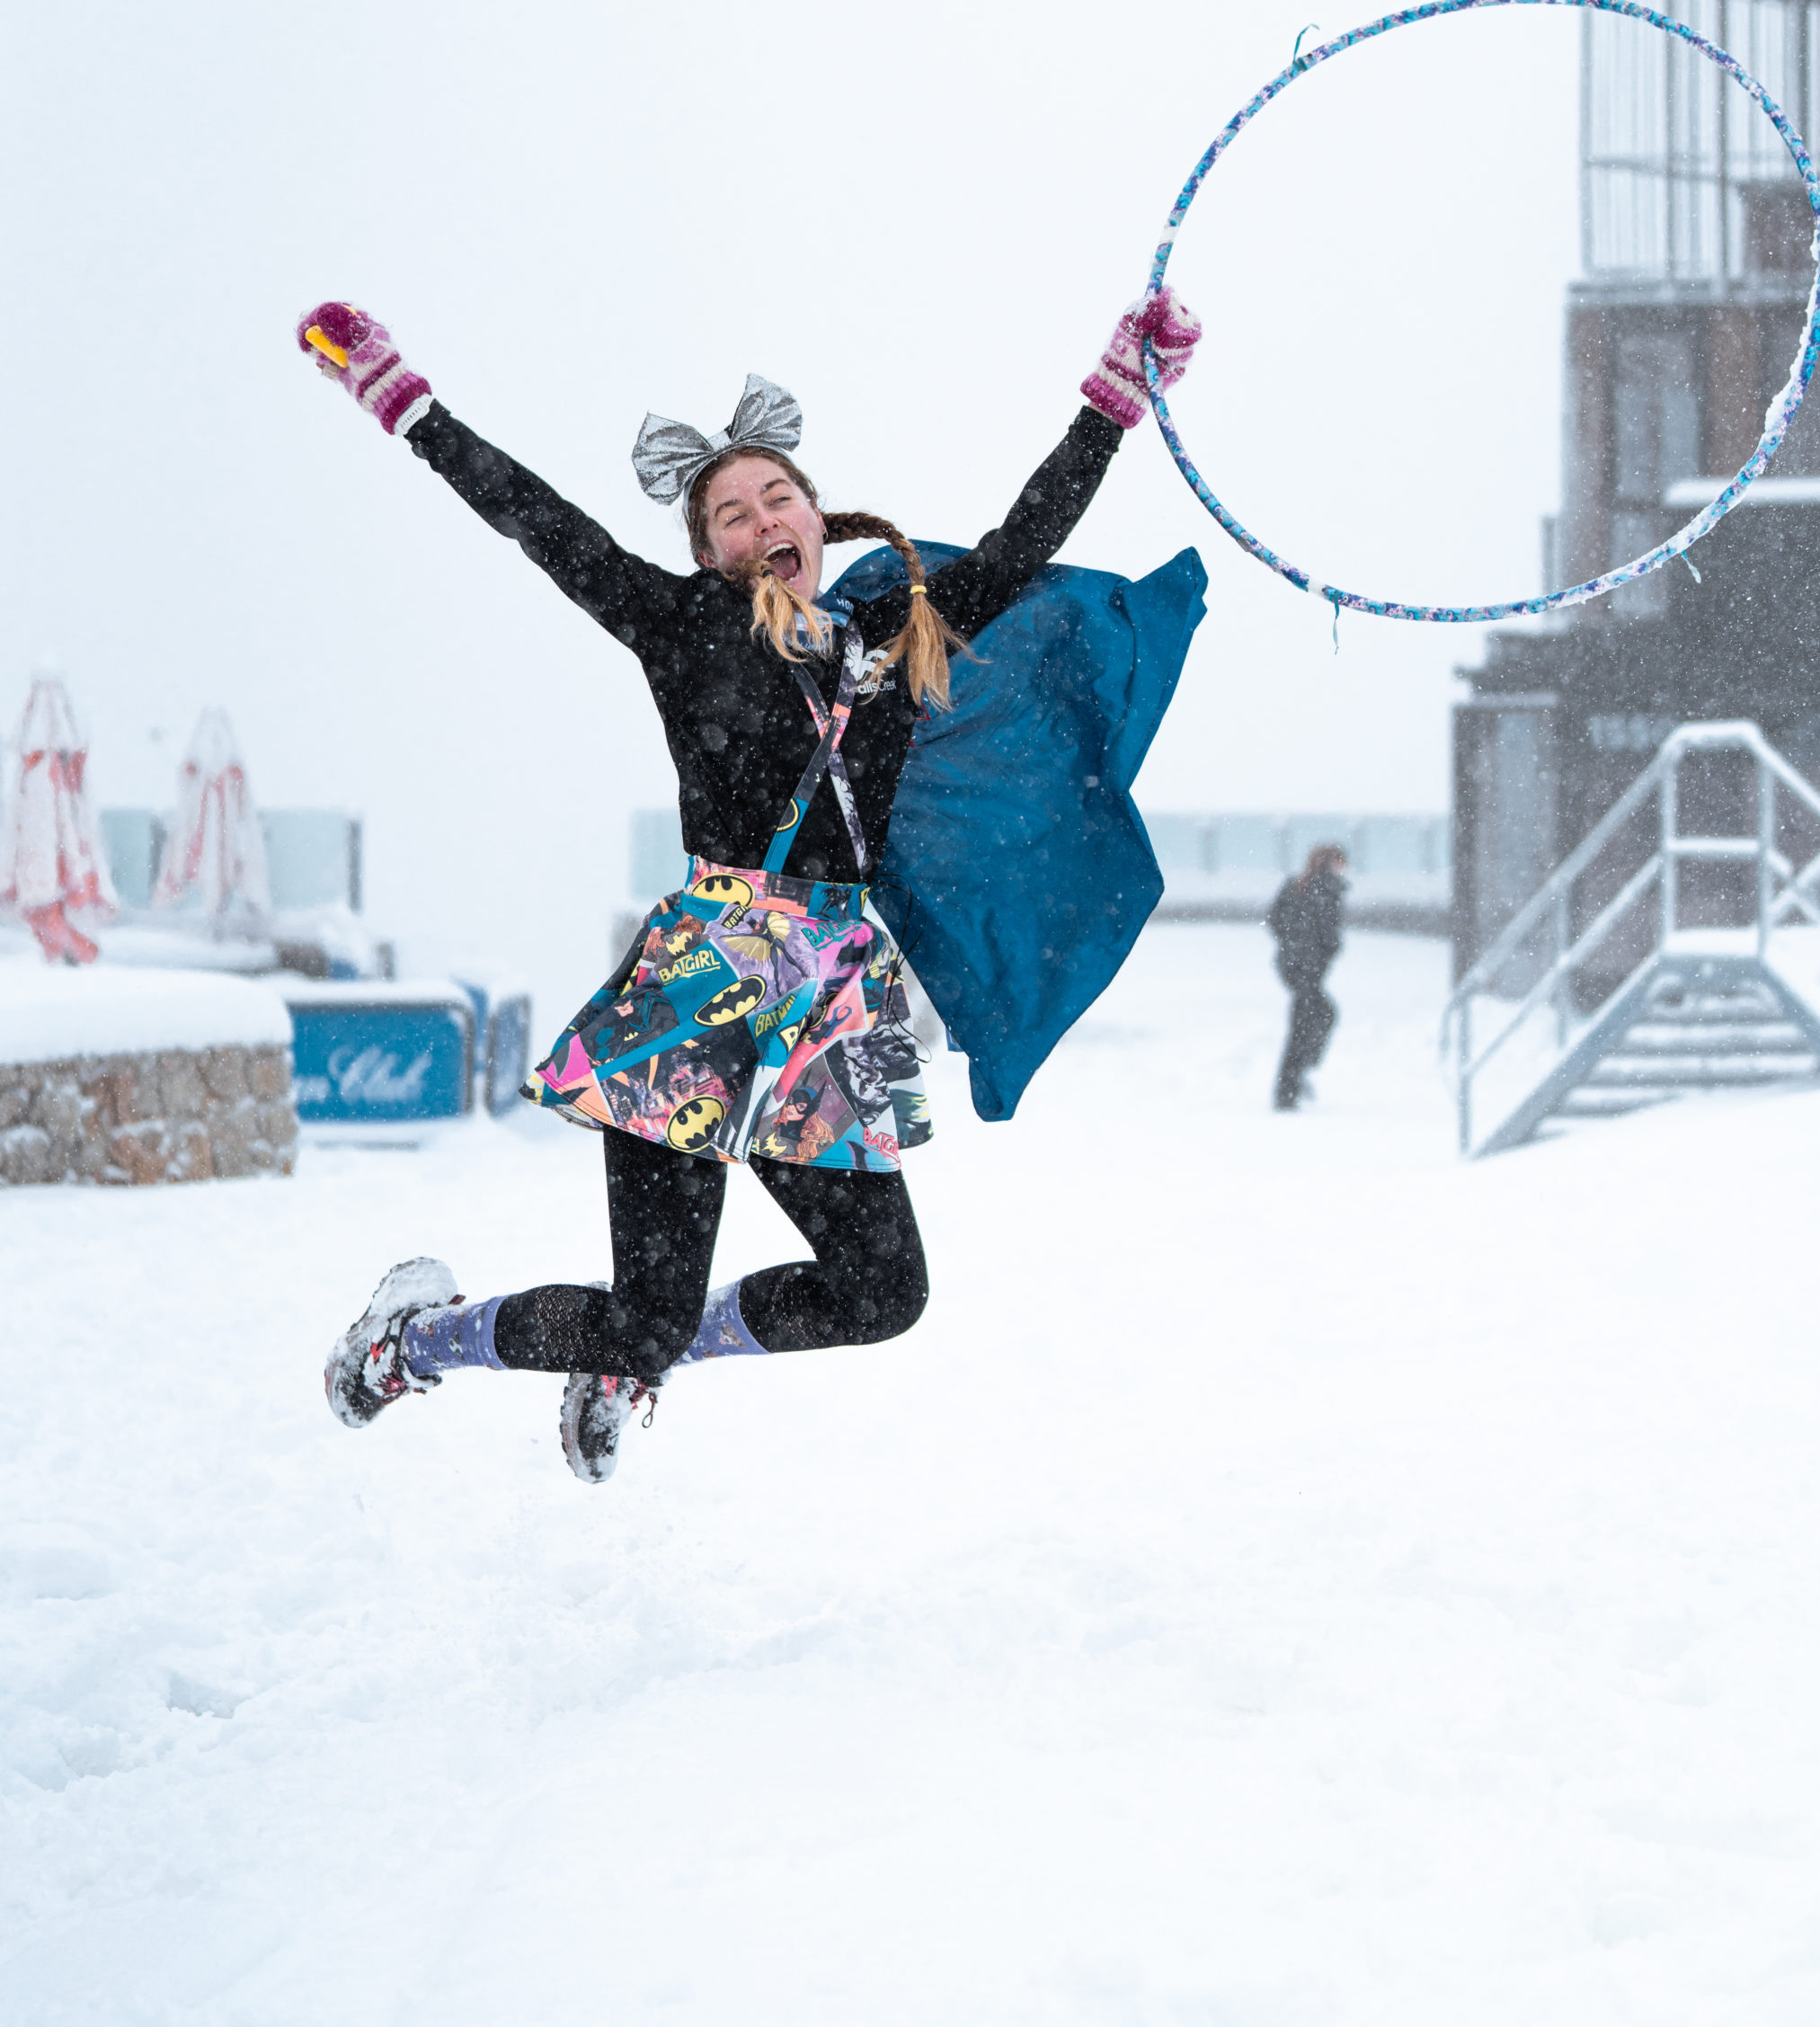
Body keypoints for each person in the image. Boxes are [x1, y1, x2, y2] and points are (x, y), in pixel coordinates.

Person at [303, 285, 1202, 1482]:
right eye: (730, 513)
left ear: (816, 517)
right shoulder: (679, 628)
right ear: (711, 551)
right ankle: (417, 1339)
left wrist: (1113, 401)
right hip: (707, 976)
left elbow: (1017, 548)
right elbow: (535, 519)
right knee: (645, 1313)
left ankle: (645, 1358)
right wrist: (404, 404)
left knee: (882, 1291)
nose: (758, 517)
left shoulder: (888, 630)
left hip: (828, 988)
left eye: (777, 495)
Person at [1266, 843, 1348, 1111]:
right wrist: (1323, 948)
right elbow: (1326, 929)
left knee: (1311, 1019)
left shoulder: (1299, 884)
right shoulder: (1326, 887)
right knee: (1317, 1018)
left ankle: (1293, 1081)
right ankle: (1290, 1086)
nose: (1344, 868)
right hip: (1306, 967)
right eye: (1341, 862)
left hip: (1294, 965)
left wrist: (1292, 944)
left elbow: (1275, 919)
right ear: (1331, 862)